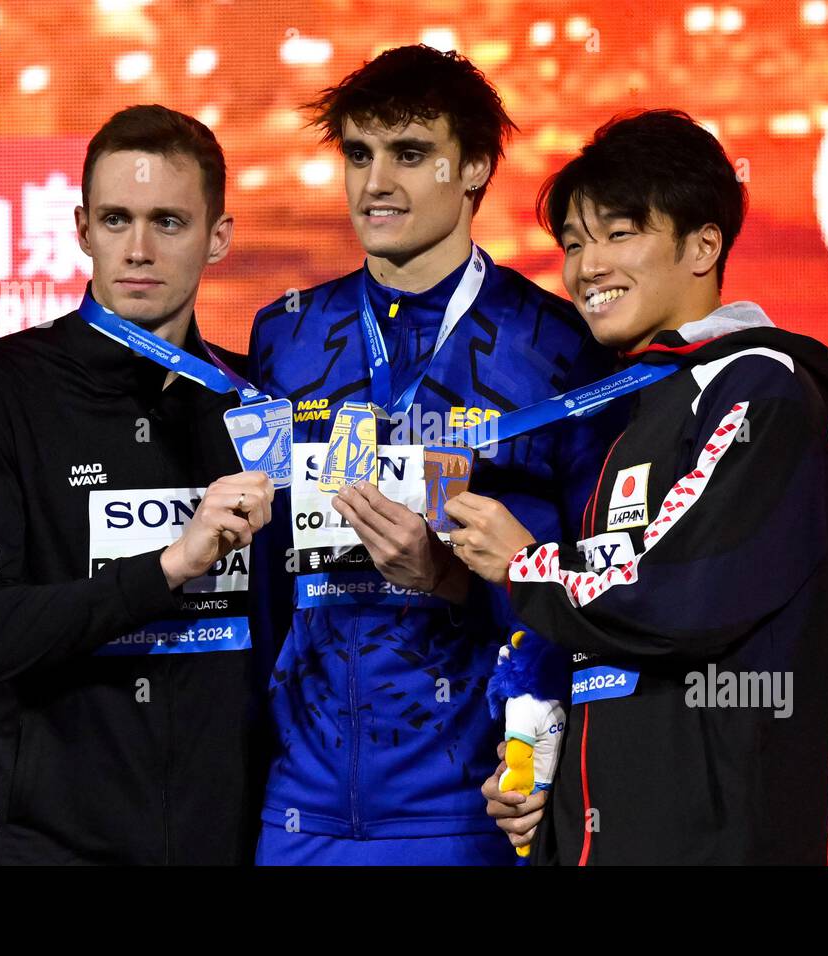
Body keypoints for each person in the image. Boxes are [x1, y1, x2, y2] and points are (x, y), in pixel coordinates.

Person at [248, 45, 618, 864]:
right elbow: (268, 573)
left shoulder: (557, 347)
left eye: (410, 155)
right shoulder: (286, 334)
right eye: (358, 154)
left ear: (475, 166)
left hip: (472, 811)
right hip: (297, 813)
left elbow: (588, 589)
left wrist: (450, 581)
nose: (376, 183)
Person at [447, 109, 828, 864]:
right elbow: (601, 651)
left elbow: (678, 594)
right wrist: (539, 774)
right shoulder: (627, 406)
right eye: (572, 243)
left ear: (704, 245)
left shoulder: (758, 388)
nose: (586, 267)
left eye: (619, 233)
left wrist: (525, 564)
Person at [0, 104, 274, 864]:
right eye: (116, 220)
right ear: (82, 230)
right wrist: (169, 568)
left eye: (168, 223)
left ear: (219, 238)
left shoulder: (253, 406)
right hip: (26, 849)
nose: (138, 250)